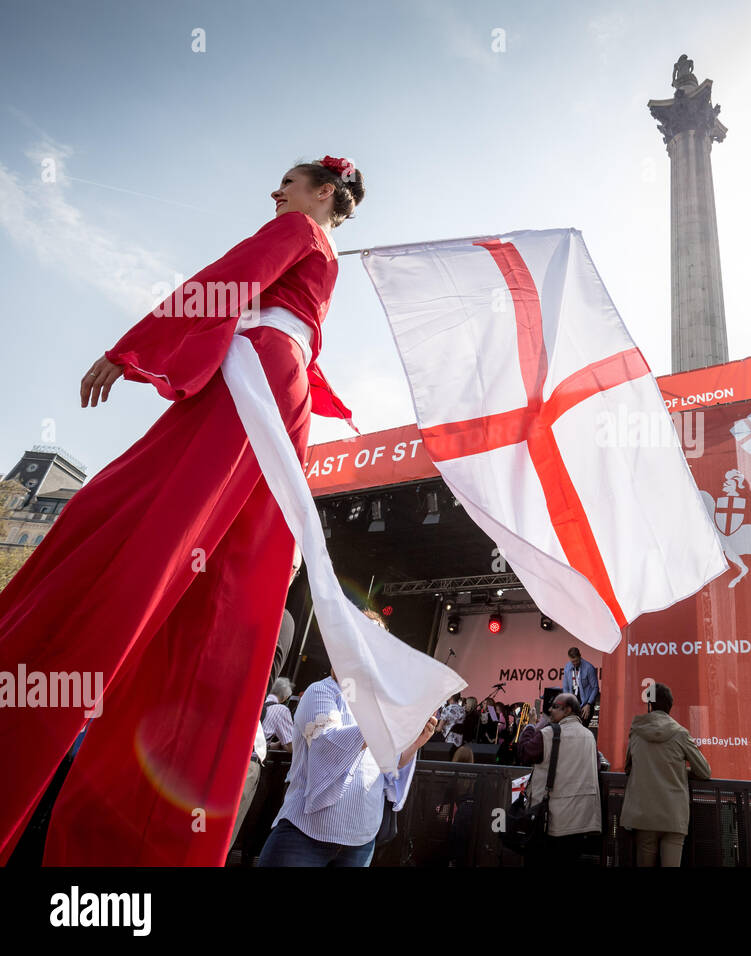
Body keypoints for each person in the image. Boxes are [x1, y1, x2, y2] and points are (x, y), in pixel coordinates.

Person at [0, 156, 364, 866]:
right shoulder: (323, 257)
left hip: (258, 379)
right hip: (280, 393)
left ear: (323, 192)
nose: (275, 192)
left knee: (128, 526)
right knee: (218, 586)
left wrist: (132, 349)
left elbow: (226, 281)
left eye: (288, 183)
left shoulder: (298, 230)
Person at [257, 663, 438, 867]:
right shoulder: (321, 691)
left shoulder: (380, 706)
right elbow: (327, 744)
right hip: (306, 832)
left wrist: (415, 743)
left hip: (360, 839)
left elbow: (389, 764)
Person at [620, 682, 711, 867]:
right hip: (673, 815)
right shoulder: (681, 734)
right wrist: (680, 770)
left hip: (644, 813)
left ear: (649, 705)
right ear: (670, 706)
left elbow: (628, 767)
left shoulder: (636, 732)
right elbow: (704, 771)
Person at [516, 693, 600, 865]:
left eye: (555, 706)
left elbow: (524, 753)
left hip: (550, 822)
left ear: (567, 710)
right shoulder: (589, 736)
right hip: (580, 821)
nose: (550, 709)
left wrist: (530, 725)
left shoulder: (548, 733)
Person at [562, 647, 600, 727]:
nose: (575, 663)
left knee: (582, 728)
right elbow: (565, 688)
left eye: (576, 661)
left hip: (586, 704)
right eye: (572, 661)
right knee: (571, 728)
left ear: (580, 656)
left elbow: (595, 688)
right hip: (573, 704)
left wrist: (589, 704)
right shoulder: (567, 667)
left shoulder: (589, 668)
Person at [262, 677, 296, 751]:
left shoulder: (257, 700)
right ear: (285, 697)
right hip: (251, 756)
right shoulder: (282, 710)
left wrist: (270, 746)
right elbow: (291, 747)